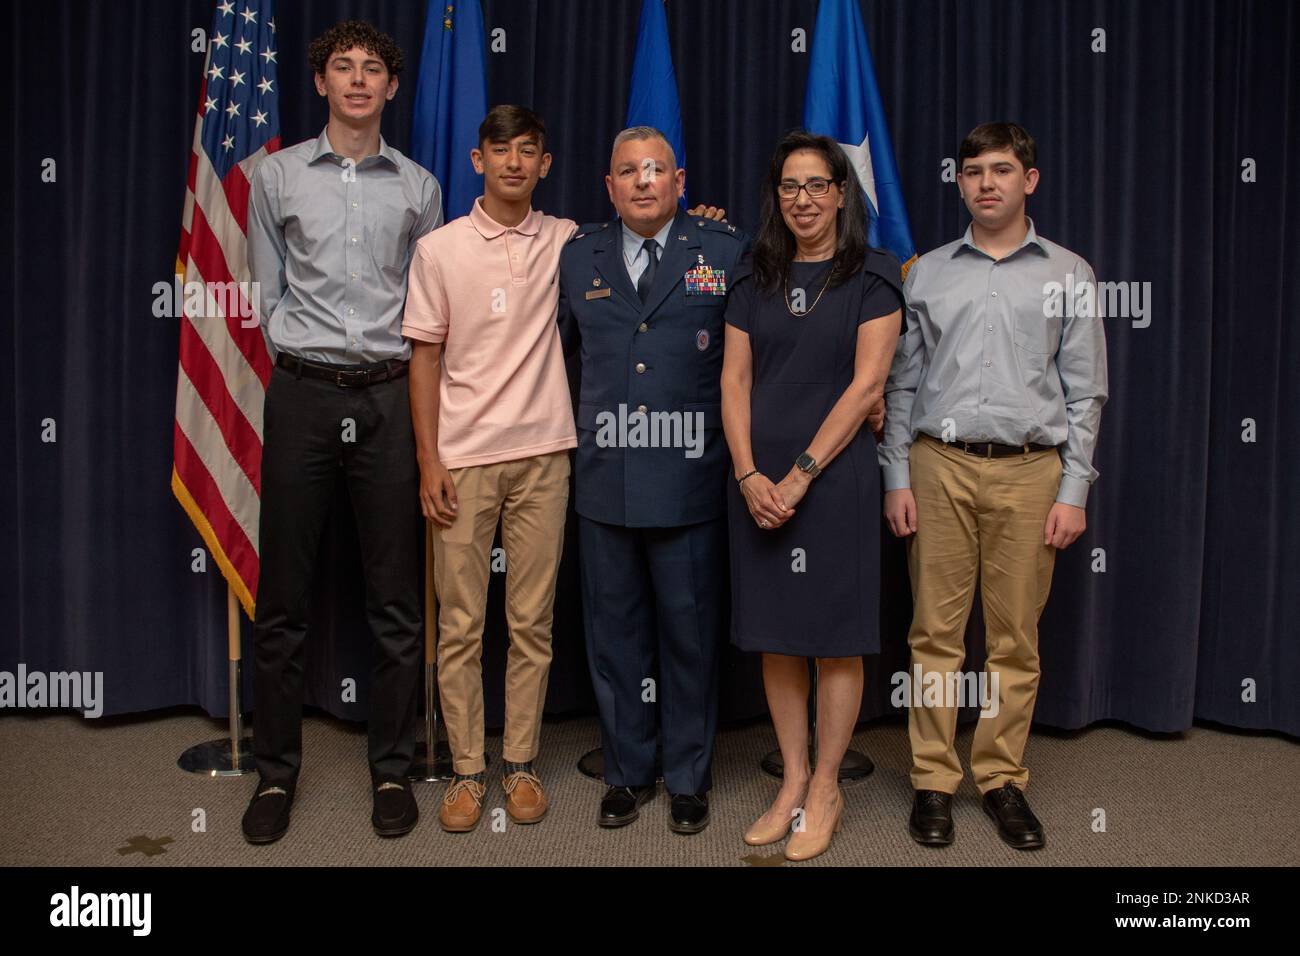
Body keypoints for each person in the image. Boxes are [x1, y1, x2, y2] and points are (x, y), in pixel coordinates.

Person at [879, 122, 1108, 850]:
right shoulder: (927, 272)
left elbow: (1086, 394)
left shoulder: (1069, 272)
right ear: (960, 181)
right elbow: (902, 384)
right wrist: (895, 476)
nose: (986, 183)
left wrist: (1073, 491)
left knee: (1014, 639)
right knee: (934, 637)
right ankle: (934, 781)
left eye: (1001, 170)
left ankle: (1003, 777)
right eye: (973, 170)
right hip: (937, 467)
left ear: (1029, 181)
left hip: (1031, 473)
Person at [242, 20, 441, 844]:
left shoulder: (420, 188)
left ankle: (391, 771)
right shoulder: (275, 176)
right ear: (320, 82)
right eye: (342, 68)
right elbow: (267, 291)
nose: (358, 81)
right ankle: (275, 775)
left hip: (392, 399)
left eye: (372, 71)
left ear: (391, 89)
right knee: (283, 601)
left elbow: (429, 314)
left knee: (395, 602)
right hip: (304, 396)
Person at [557, 127, 749, 834]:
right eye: (628, 171)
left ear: (679, 180)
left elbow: (755, 362)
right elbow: (552, 361)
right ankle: (628, 771)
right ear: (609, 186)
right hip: (606, 480)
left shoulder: (725, 253)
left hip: (692, 483)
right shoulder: (579, 258)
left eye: (656, 170)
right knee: (614, 638)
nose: (643, 182)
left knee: (690, 636)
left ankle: (689, 776)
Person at [721, 131, 903, 862]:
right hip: (757, 482)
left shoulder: (874, 275)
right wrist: (746, 474)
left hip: (832, 483)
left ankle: (828, 784)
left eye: (816, 186)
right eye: (789, 187)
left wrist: (797, 473)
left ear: (840, 193)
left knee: (832, 639)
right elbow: (732, 379)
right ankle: (791, 779)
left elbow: (867, 388)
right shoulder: (752, 271)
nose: (802, 200)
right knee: (776, 635)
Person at [402, 106, 576, 832]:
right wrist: (428, 459)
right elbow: (424, 356)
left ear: (544, 164)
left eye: (527, 151)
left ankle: (523, 763)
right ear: (477, 161)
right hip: (464, 459)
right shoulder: (439, 250)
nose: (512, 162)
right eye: (499, 150)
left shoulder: (569, 242)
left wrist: (703, 219)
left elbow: (649, 241)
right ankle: (469, 773)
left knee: (532, 621)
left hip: (544, 455)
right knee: (461, 626)